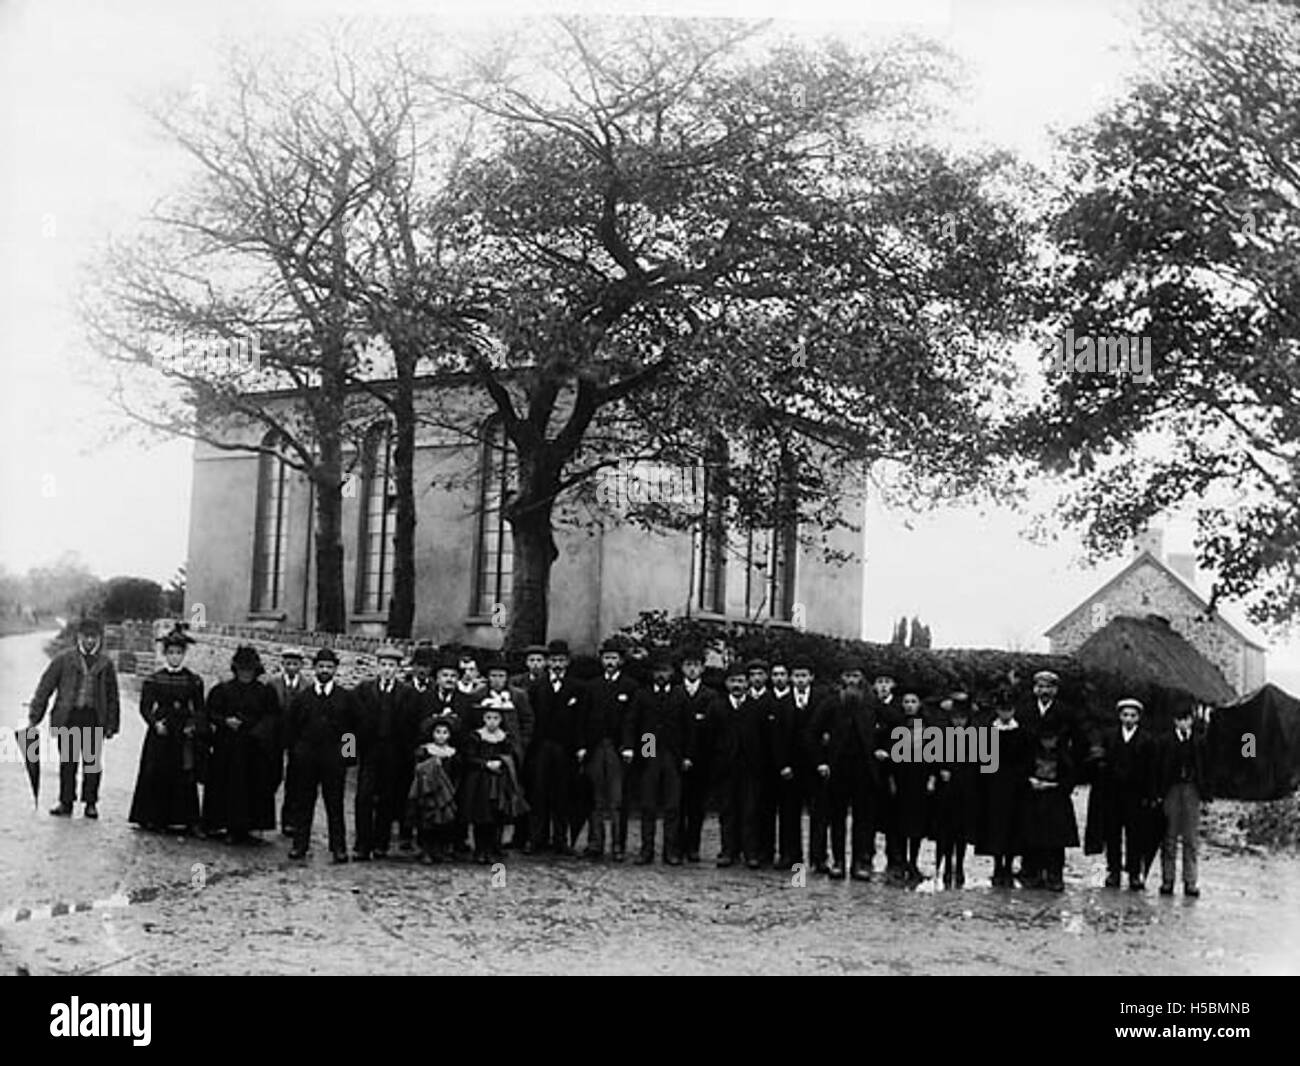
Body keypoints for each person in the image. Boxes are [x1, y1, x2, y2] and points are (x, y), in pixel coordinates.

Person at [29, 617, 121, 819]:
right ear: (79, 637)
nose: (90, 641)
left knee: (92, 763)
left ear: (99, 639)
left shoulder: (106, 664)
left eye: (94, 637)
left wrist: (112, 724)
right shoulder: (64, 660)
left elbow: (113, 696)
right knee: (68, 762)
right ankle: (66, 801)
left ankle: (90, 803)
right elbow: (45, 688)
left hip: (94, 717)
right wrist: (35, 717)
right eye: (86, 636)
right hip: (68, 717)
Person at [127, 625, 205, 833]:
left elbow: (199, 709)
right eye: (171, 653)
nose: (175, 657)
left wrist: (192, 725)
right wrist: (155, 723)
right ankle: (154, 817)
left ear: (184, 654)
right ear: (165, 654)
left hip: (183, 732)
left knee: (184, 773)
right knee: (156, 772)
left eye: (179, 653)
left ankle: (185, 819)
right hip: (161, 731)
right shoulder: (154, 679)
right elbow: (145, 707)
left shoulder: (193, 680)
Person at [807, 660, 880, 880]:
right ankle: (838, 860)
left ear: (862, 679)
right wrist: (820, 761)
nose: (851, 681)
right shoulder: (830, 703)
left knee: (863, 819)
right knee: (836, 817)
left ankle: (860, 862)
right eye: (847, 676)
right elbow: (811, 733)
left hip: (864, 769)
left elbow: (896, 724)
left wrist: (883, 750)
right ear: (842, 679)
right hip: (837, 769)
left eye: (855, 676)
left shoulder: (872, 704)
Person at [1016, 670, 1090, 886]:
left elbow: (1081, 745)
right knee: (1030, 826)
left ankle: (1054, 873)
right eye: (1040, 686)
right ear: (1034, 688)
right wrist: (1025, 776)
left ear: (1056, 690)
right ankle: (1031, 871)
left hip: (1057, 779)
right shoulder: (1024, 711)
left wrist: (1069, 777)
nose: (1044, 691)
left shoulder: (1068, 713)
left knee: (1056, 829)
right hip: (1030, 777)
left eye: (1049, 687)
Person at [202, 645, 282, 843]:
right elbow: (210, 712)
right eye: (241, 670)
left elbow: (272, 717)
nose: (245, 674)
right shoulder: (222, 690)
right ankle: (228, 826)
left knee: (253, 787)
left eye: (250, 670)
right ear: (235, 670)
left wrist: (255, 730)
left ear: (256, 671)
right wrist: (225, 721)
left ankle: (250, 827)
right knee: (228, 786)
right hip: (228, 748)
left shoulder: (265, 692)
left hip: (254, 749)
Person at [286, 648, 356, 864]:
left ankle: (339, 848)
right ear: (314, 669)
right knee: (304, 803)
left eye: (329, 667)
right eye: (321, 667)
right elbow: (291, 728)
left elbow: (350, 730)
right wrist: (296, 753)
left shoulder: (345, 698)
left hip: (334, 760)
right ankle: (300, 845)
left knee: (335, 804)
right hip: (307, 759)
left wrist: (348, 758)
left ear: (335, 670)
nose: (325, 671)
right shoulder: (303, 698)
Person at [1085, 698, 1156, 890]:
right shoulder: (1109, 737)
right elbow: (1099, 763)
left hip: (1135, 794)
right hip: (1112, 794)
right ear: (1119, 716)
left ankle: (1134, 872)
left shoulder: (1147, 740)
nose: (1128, 719)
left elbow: (1151, 770)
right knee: (1112, 834)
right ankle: (1113, 871)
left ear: (1139, 718)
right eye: (1125, 715)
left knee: (1135, 835)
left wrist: (1150, 795)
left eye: (1132, 715)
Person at [353, 644, 416, 861]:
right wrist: (348, 755)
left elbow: (411, 727)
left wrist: (408, 756)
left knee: (388, 798)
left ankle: (381, 843)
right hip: (369, 752)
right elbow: (349, 725)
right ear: (377, 666)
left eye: (392, 665)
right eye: (384, 665)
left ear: (398, 669)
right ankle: (362, 844)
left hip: (394, 754)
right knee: (363, 797)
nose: (387, 669)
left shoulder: (407, 693)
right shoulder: (363, 689)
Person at [580, 639, 639, 860]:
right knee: (596, 799)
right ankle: (595, 843)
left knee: (616, 800)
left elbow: (634, 721)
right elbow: (583, 719)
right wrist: (583, 746)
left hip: (618, 748)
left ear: (621, 661)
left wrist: (631, 747)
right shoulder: (592, 686)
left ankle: (617, 845)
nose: (610, 662)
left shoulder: (630, 687)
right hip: (596, 747)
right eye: (606, 658)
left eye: (614, 658)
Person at [628, 653, 686, 864]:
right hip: (649, 748)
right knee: (648, 803)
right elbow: (632, 722)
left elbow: (688, 727)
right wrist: (631, 748)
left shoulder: (679, 696)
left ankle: (671, 851)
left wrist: (687, 754)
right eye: (658, 671)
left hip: (673, 752)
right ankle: (647, 849)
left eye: (665, 671)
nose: (661, 675)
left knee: (672, 805)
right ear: (652, 674)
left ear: (671, 673)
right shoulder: (643, 695)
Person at [529, 639, 583, 855]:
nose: (558, 664)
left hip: (565, 749)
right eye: (554, 660)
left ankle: (560, 840)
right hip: (542, 746)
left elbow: (581, 719)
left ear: (568, 662)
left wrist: (580, 746)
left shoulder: (577, 688)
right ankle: (536, 839)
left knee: (562, 795)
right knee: (539, 793)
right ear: (548, 663)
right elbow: (531, 719)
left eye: (561, 660)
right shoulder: (536, 687)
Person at [460, 703, 528, 863]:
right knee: (480, 816)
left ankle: (493, 849)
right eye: (489, 718)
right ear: (483, 719)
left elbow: (512, 756)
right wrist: (484, 764)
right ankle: (479, 850)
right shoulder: (476, 736)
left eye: (496, 718)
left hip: (499, 781)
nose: (492, 722)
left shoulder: (505, 737)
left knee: (496, 815)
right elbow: (468, 757)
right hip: (480, 781)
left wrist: (502, 762)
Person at [1154, 704, 1210, 898]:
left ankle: (1190, 881)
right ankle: (1167, 880)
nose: (1183, 723)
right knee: (1168, 837)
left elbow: (1206, 768)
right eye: (1180, 720)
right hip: (1171, 790)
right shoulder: (1165, 742)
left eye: (1186, 719)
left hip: (1191, 790)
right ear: (1174, 722)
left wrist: (1205, 792)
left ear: (1191, 721)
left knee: (1190, 838)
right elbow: (1158, 768)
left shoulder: (1200, 742)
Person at [672, 646, 721, 864]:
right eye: (688, 665)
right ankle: (676, 846)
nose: (692, 670)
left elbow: (712, 732)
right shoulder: (674, 693)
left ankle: (693, 846)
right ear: (682, 668)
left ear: (702, 669)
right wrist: (651, 755)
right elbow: (660, 729)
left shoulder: (711, 696)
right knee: (676, 804)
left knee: (696, 805)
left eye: (696, 665)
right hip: (675, 759)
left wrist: (702, 758)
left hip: (701, 760)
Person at [976, 702, 1029, 888]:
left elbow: (1026, 759)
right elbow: (982, 758)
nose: (1005, 712)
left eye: (1009, 709)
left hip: (1015, 786)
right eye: (1002, 709)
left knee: (1013, 825)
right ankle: (998, 865)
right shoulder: (988, 731)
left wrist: (1020, 778)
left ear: (1013, 710)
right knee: (996, 825)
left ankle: (1009, 864)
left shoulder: (1022, 732)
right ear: (997, 710)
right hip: (994, 785)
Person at [933, 693, 979, 888]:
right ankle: (943, 865)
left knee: (961, 831)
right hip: (945, 790)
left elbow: (980, 763)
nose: (959, 722)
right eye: (955, 719)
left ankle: (959, 865)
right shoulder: (942, 735)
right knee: (945, 830)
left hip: (965, 790)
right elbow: (932, 758)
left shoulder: (976, 736)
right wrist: (940, 770)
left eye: (962, 718)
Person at [712, 662, 753, 868]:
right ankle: (727, 850)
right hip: (724, 767)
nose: (737, 685)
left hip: (749, 768)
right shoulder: (717, 706)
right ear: (727, 683)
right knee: (727, 810)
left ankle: (750, 852)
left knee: (749, 810)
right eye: (733, 681)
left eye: (741, 681)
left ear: (747, 683)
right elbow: (708, 737)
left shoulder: (755, 707)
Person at [269, 648, 309, 837]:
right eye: (288, 663)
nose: (292, 667)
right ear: (282, 664)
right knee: (272, 776)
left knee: (295, 780)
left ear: (301, 665)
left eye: (295, 664)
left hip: (297, 738)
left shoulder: (307, 687)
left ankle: (290, 821)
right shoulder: (272, 684)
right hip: (276, 736)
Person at [769, 660, 804, 869]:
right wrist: (783, 764)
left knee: (799, 813)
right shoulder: (781, 704)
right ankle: (783, 853)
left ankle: (802, 855)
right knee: (782, 811)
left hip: (804, 766)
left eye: (783, 674)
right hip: (783, 766)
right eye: (776, 674)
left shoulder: (808, 701)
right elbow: (777, 738)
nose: (780, 678)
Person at [865, 670, 901, 876]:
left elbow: (903, 731)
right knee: (869, 811)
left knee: (893, 813)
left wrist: (889, 751)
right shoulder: (866, 704)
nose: (883, 686)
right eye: (880, 682)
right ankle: (866, 854)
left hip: (893, 766)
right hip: (870, 766)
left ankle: (894, 856)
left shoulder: (897, 707)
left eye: (887, 682)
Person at [409, 718, 459, 864]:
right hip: (428, 791)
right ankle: (425, 849)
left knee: (444, 820)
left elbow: (457, 773)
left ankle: (440, 849)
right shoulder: (425, 751)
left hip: (446, 791)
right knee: (426, 821)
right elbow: (418, 769)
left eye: (444, 733)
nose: (441, 736)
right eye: (438, 732)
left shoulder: (452, 753)